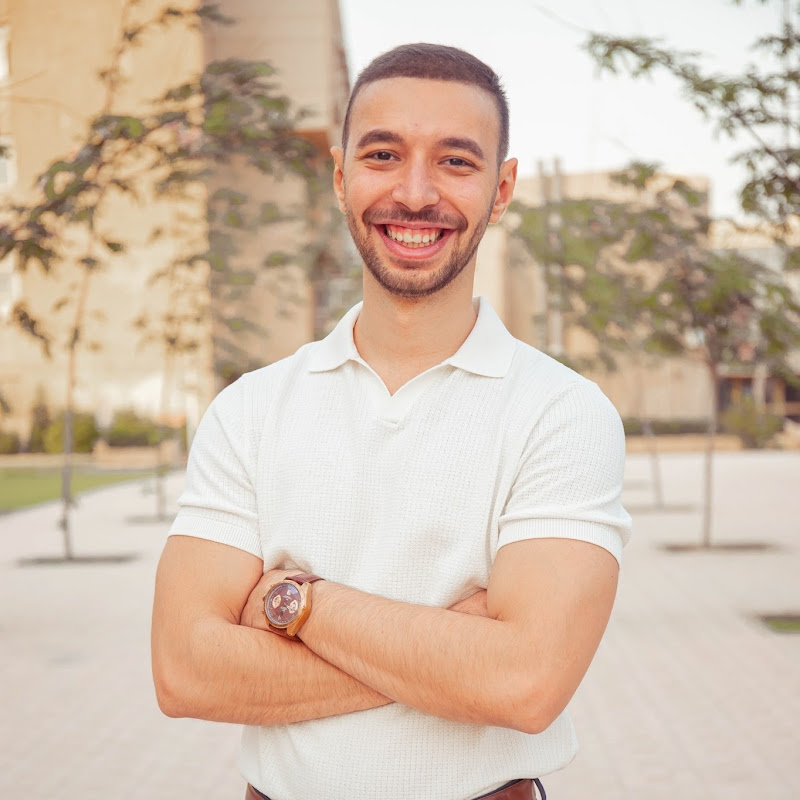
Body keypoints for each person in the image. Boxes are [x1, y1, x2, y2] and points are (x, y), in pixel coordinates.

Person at [151, 42, 632, 800]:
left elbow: (526, 684)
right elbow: (184, 671)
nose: (414, 194)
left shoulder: (563, 413)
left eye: (456, 161)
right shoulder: (250, 409)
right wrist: (452, 650)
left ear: (502, 189)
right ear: (341, 176)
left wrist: (294, 603)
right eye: (383, 155)